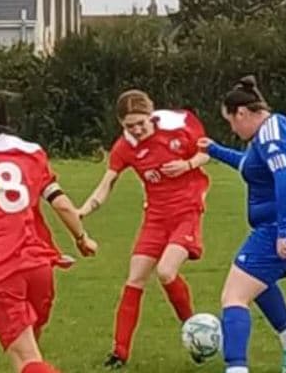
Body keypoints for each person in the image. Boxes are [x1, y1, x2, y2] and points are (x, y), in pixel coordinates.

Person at [0, 91, 98, 373]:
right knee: (23, 351)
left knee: (28, 359)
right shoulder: (31, 153)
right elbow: (59, 202)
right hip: (38, 265)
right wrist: (81, 237)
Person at [77, 90, 211, 369]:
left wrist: (186, 164)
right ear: (120, 123)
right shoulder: (124, 148)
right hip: (155, 218)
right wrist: (82, 211)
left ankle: (195, 332)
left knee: (165, 271)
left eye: (141, 123)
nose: (137, 130)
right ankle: (120, 352)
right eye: (129, 126)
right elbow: (107, 184)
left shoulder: (178, 124)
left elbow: (205, 154)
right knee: (134, 279)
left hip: (186, 211)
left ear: (151, 115)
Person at [200, 76, 286, 373]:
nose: (233, 129)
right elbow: (251, 167)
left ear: (242, 113)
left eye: (231, 121)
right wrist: (214, 150)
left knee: (234, 296)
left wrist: (281, 232)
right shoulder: (272, 129)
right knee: (257, 281)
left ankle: (236, 368)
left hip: (285, 227)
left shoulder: (269, 138)